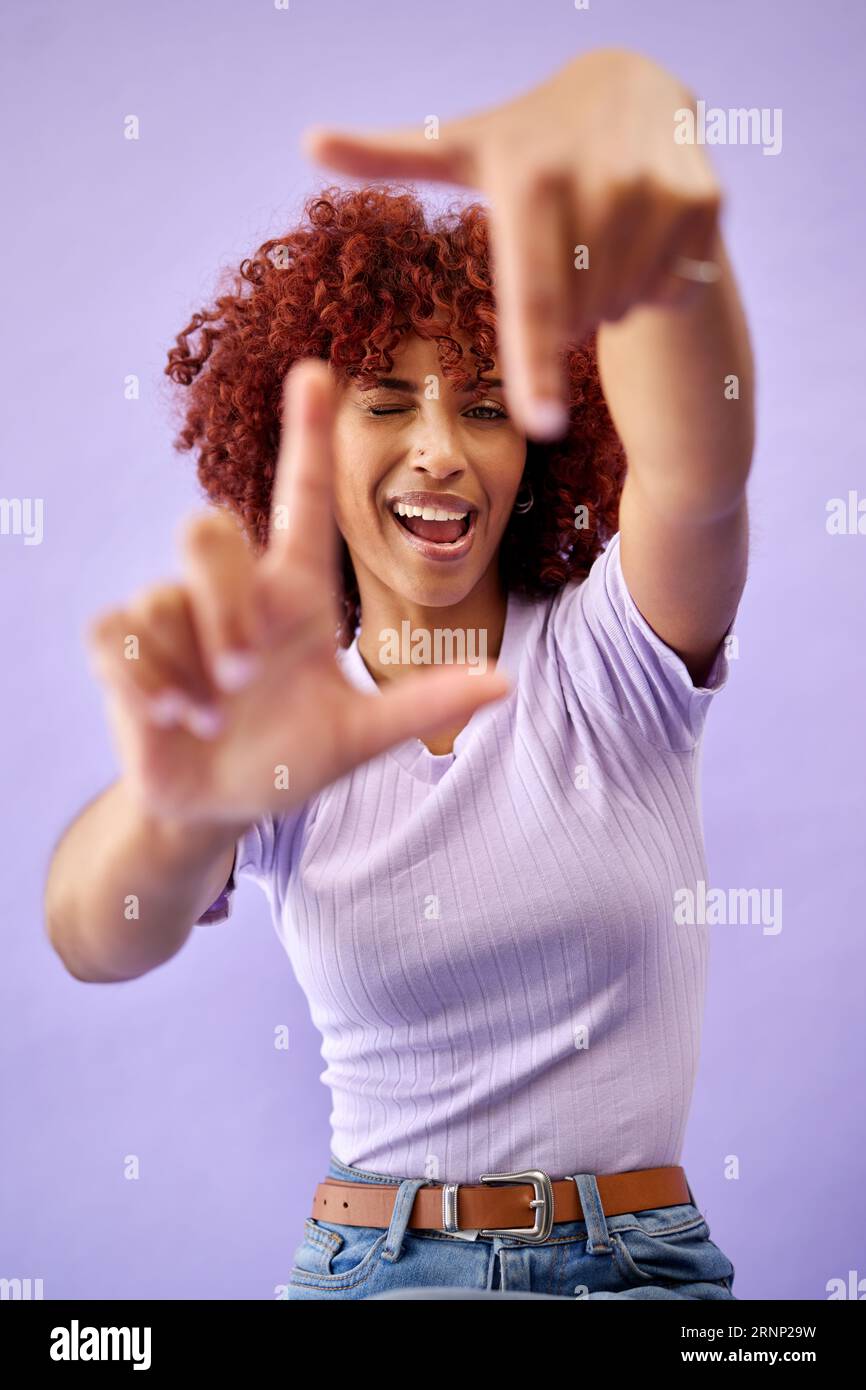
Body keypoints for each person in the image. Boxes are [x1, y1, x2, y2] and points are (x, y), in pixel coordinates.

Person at [44, 47, 753, 1300]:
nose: (438, 450)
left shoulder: (613, 660)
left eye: (484, 404)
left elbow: (695, 475)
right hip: (370, 1271)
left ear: (538, 443)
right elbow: (99, 937)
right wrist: (187, 799)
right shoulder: (285, 717)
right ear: (297, 435)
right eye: (387, 400)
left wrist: (651, 186)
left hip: (638, 1271)